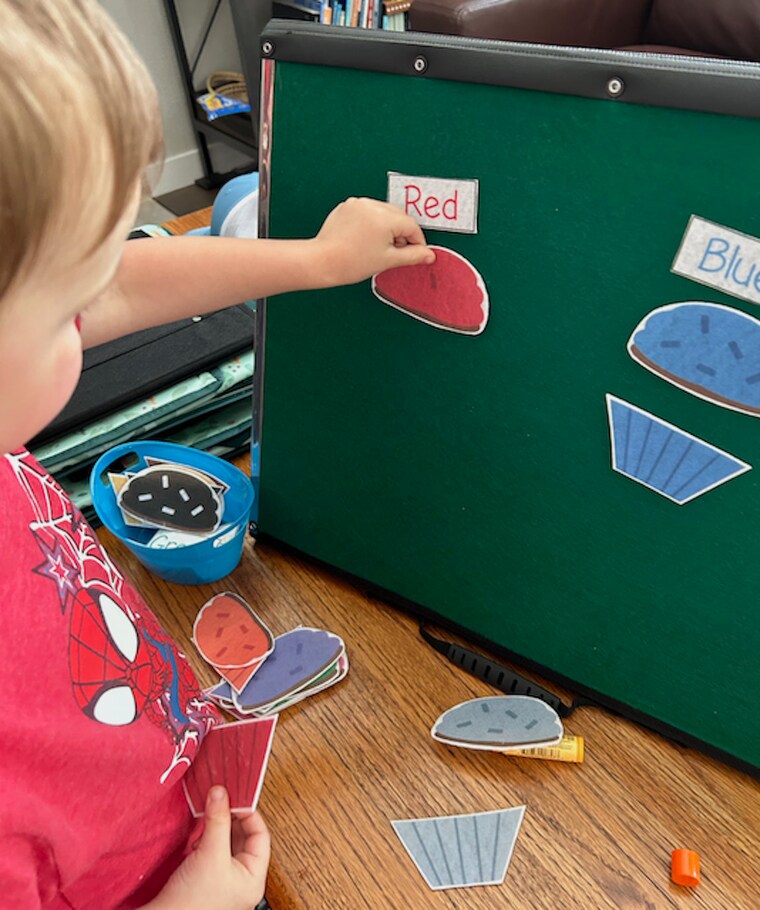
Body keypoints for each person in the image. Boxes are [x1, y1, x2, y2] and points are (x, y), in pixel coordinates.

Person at [0, 1, 434, 908]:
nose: (91, 315)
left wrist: (315, 260)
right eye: (66, 311)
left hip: (176, 790)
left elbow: (119, 284)